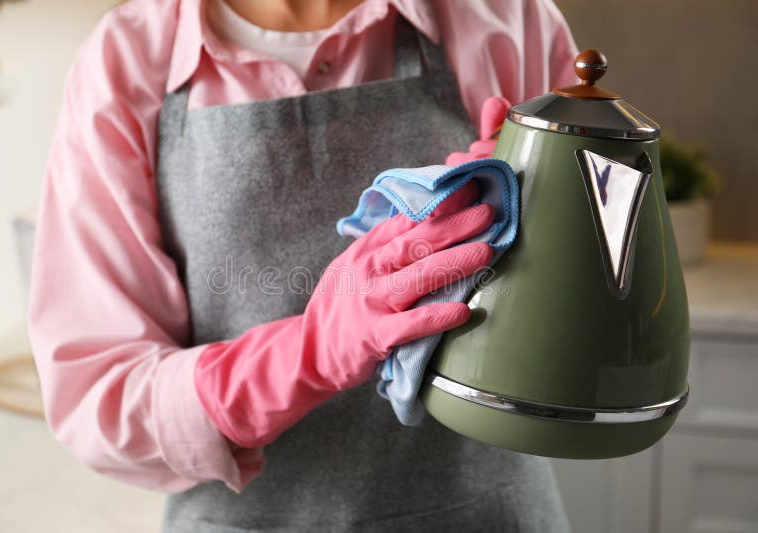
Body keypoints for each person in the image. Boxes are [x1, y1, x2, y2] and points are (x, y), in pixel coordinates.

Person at [29, 0, 579, 530]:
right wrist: (307, 355)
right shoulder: (127, 62)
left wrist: (531, 233)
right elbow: (98, 390)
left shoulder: (509, 20)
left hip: (487, 515)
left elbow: (592, 320)